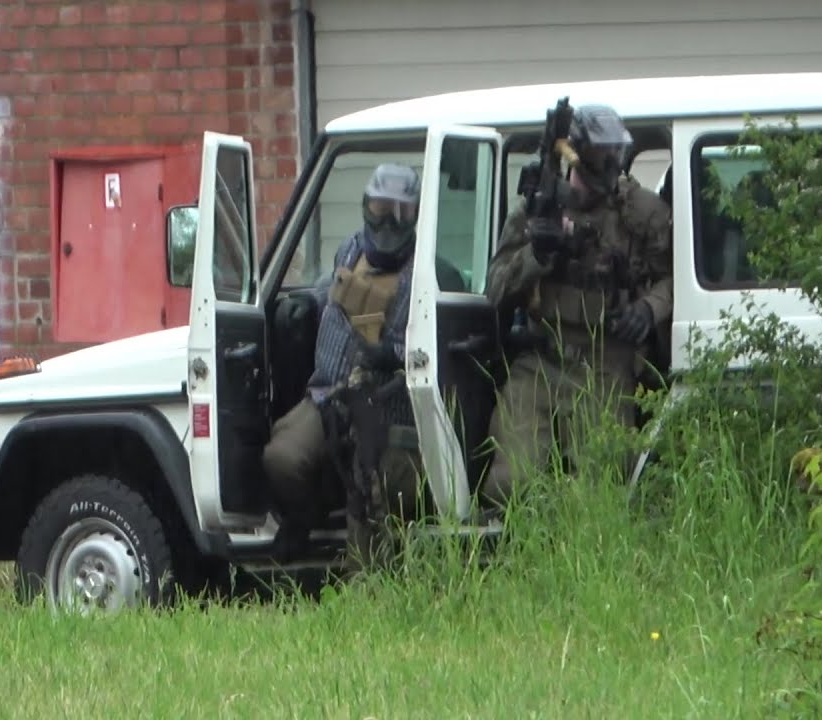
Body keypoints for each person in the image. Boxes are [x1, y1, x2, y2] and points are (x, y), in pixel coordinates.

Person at [262, 162, 465, 559]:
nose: (388, 222)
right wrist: (306, 303)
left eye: (401, 212)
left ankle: (368, 572)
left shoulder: (428, 276)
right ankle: (305, 518)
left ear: (416, 215)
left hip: (384, 406)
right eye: (380, 209)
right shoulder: (351, 248)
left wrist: (390, 354)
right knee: (281, 458)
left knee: (370, 490)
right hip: (327, 392)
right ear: (365, 207)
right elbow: (334, 291)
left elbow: (434, 350)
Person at [480, 103, 673, 509]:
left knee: (602, 484)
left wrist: (648, 308)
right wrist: (536, 253)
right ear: (577, 154)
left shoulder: (640, 212)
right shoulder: (537, 211)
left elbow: (680, 276)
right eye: (601, 154)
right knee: (511, 482)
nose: (611, 164)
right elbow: (495, 288)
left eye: (616, 153)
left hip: (605, 361)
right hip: (543, 358)